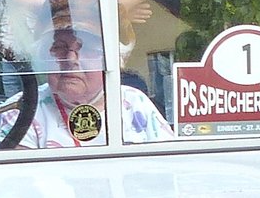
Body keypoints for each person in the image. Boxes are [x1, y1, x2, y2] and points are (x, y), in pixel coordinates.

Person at [20, 25, 172, 149]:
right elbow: (13, 180)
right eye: (59, 48)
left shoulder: (134, 102)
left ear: (112, 60)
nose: (71, 59)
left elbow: (169, 169)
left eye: (86, 49)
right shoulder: (21, 109)